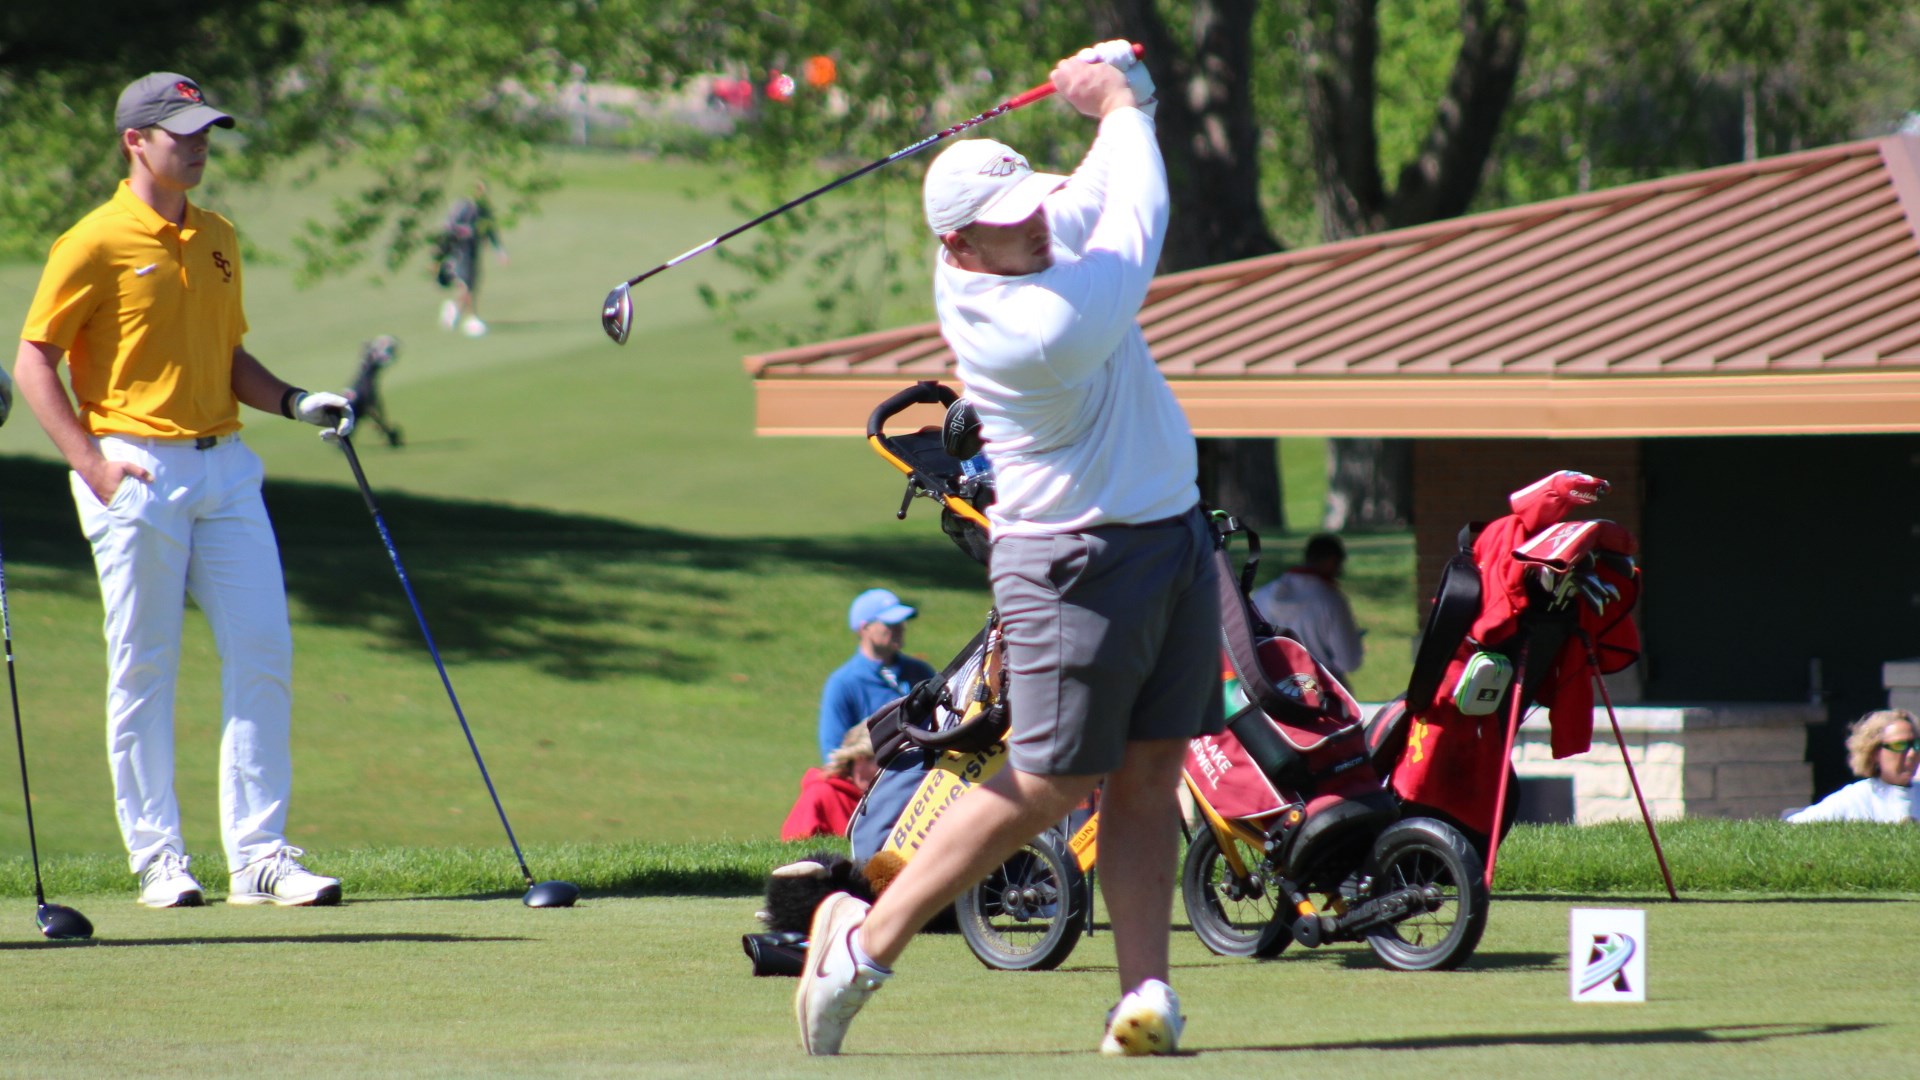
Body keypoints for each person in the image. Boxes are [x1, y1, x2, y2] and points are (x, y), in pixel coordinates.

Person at [794, 42, 1224, 1057]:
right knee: (1049, 777)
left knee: (1154, 767)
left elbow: (1089, 195)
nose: (1032, 224)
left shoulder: (1025, 237)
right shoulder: (1031, 325)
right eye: (1005, 226)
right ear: (959, 252)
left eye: (1028, 206)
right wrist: (1121, 106)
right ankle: (865, 941)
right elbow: (1138, 218)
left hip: (1168, 533)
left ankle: (1144, 995)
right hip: (1076, 561)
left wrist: (1127, 104)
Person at [13, 71, 353, 909]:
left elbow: (227, 357)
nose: (199, 145)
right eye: (182, 133)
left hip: (226, 466)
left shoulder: (219, 235)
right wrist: (92, 466)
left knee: (264, 651)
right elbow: (33, 362)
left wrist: (296, 401)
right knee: (144, 668)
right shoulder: (92, 241)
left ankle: (260, 857)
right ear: (136, 141)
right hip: (134, 468)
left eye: (206, 132)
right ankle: (160, 859)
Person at [816, 588, 936, 765]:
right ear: (865, 628)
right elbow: (833, 754)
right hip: (876, 786)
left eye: (901, 622)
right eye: (890, 623)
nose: (900, 628)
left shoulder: (921, 672)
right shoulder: (843, 683)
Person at [1251, 532, 1365, 682]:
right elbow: (1348, 661)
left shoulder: (1261, 595)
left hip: (1269, 687)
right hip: (1318, 691)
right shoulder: (1329, 599)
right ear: (1332, 561)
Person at [1784, 709, 1916, 822]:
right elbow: (1792, 828)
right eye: (1900, 745)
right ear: (1874, 753)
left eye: (1916, 745)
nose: (1912, 754)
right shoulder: (1856, 799)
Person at [781, 725, 878, 841]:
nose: (887, 771)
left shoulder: (888, 799)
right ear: (858, 758)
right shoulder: (820, 794)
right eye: (882, 762)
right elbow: (797, 851)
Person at [435, 181, 505, 338]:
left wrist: (499, 251)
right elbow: (448, 227)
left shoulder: (484, 209)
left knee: (472, 284)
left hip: (474, 250)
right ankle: (471, 319)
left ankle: (454, 308)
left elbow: (490, 230)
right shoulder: (462, 207)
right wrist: (467, 232)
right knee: (466, 285)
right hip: (460, 250)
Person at [343, 334, 404, 447]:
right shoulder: (370, 369)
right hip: (359, 397)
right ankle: (389, 434)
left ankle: (388, 433)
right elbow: (368, 393)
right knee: (370, 416)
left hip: (353, 395)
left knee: (366, 418)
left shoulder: (367, 361)